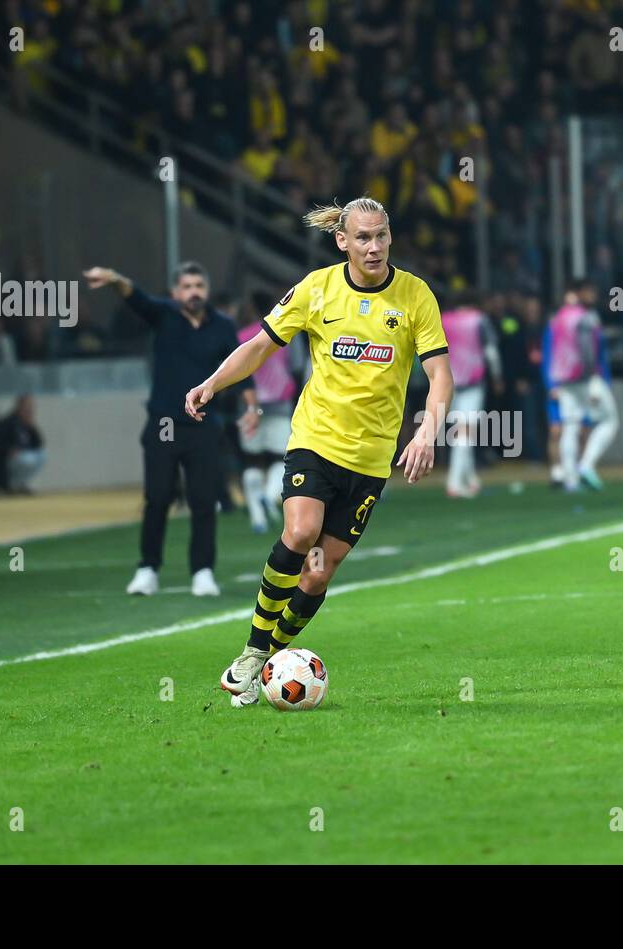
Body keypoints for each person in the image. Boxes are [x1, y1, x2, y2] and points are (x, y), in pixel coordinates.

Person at [183, 196, 452, 707]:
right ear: (343, 241)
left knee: (317, 572)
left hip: (371, 460)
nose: (374, 247)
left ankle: (265, 662)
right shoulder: (316, 288)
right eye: (363, 238)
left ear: (390, 237)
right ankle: (253, 651)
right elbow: (260, 346)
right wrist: (213, 383)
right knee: (301, 532)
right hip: (316, 439)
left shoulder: (415, 296)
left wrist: (426, 430)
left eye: (382, 236)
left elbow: (440, 374)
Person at [82, 261, 242, 598]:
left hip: (203, 425)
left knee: (203, 501)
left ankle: (202, 572)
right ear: (174, 292)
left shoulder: (223, 326)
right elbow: (134, 296)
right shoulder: (163, 315)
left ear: (207, 290)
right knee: (157, 498)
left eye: (198, 285)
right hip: (165, 424)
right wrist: (114, 278)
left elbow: (239, 366)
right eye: (186, 286)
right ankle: (147, 569)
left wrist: (252, 406)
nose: (193, 292)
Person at [544, 280, 619, 491]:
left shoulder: (556, 319)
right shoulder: (586, 317)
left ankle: (570, 480)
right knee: (609, 420)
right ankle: (586, 465)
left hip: (564, 379)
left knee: (570, 426)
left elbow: (551, 354)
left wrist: (553, 383)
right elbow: (590, 352)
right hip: (586, 378)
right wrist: (595, 380)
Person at [236, 311, 301, 533]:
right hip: (280, 404)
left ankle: (257, 517)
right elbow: (297, 367)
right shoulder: (289, 333)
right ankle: (269, 494)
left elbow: (233, 369)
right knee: (280, 457)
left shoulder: (241, 336)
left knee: (251, 461)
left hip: (249, 406)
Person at [441, 290, 502, 498]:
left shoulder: (443, 319)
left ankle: (470, 478)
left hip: (446, 381)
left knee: (460, 431)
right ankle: (454, 482)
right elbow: (491, 351)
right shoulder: (479, 320)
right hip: (472, 381)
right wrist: (497, 376)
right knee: (465, 433)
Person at [0, 394, 45, 494]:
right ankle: (11, 484)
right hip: (7, 459)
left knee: (41, 455)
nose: (30, 410)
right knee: (27, 460)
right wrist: (9, 450)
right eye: (27, 407)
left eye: (31, 407)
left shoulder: (27, 425)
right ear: (19, 407)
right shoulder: (8, 423)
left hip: (21, 456)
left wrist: (31, 427)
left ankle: (19, 484)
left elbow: (39, 444)